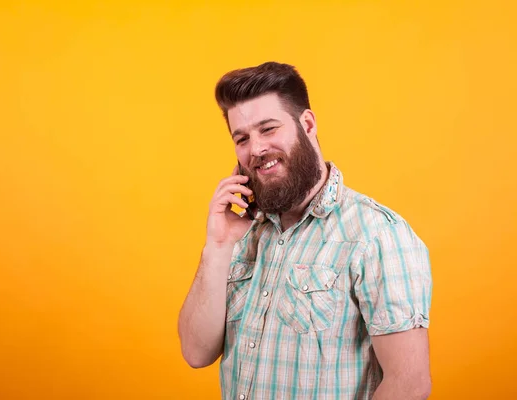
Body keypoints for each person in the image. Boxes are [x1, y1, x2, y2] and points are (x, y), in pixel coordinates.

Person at [177, 62, 432, 400]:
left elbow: (409, 385)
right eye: (242, 138)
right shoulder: (240, 232)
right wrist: (218, 245)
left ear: (307, 124)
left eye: (268, 129)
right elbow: (196, 352)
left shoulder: (376, 235)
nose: (255, 149)